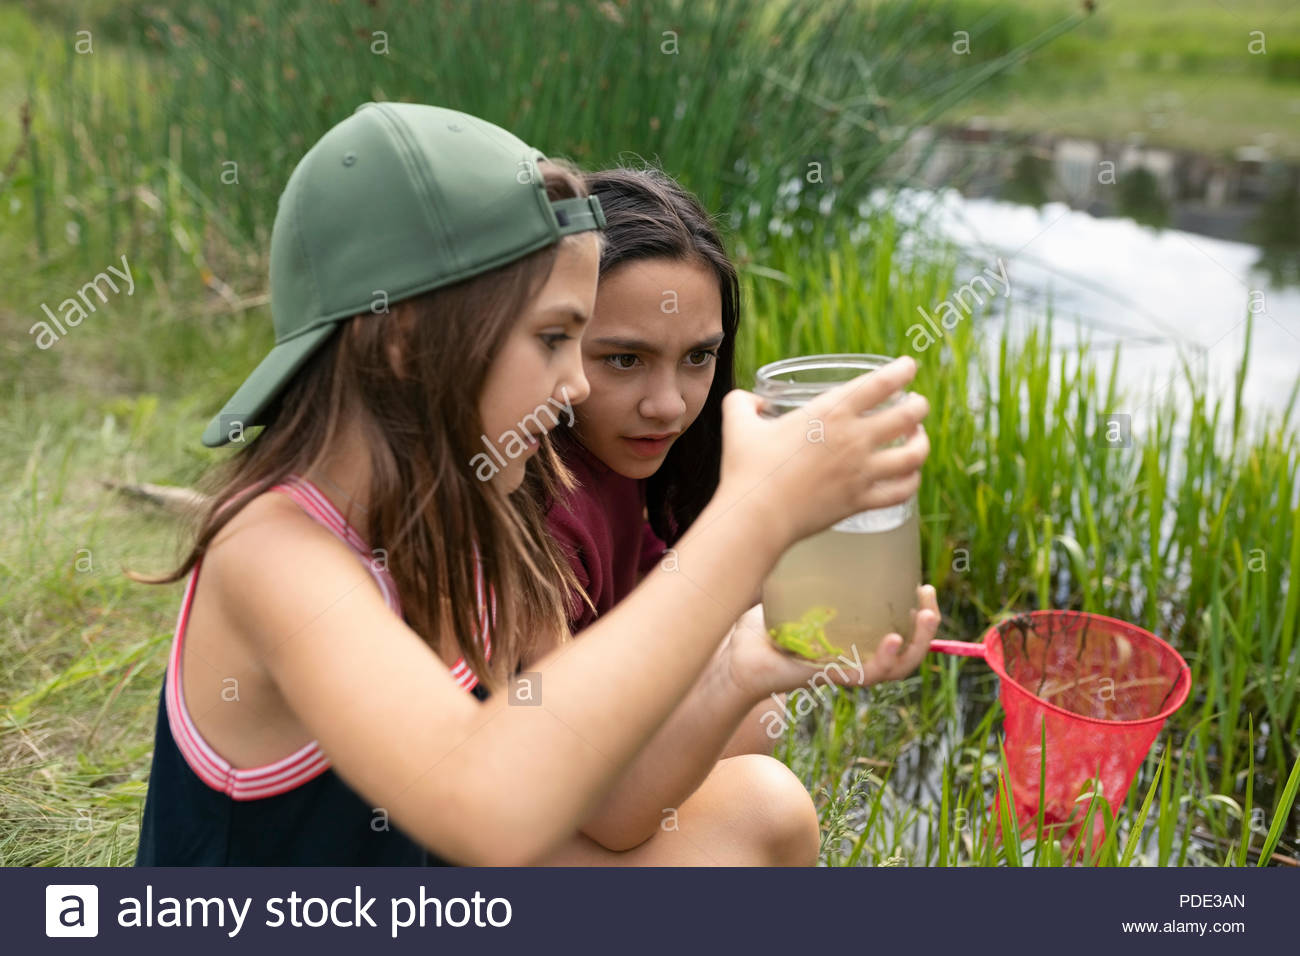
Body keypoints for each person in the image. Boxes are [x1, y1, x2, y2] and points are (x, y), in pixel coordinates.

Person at [132, 102, 934, 867]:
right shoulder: (273, 554)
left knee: (762, 809)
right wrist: (753, 518)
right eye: (554, 338)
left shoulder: (475, 525)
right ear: (406, 340)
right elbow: (487, 804)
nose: (576, 386)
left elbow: (612, 808)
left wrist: (739, 669)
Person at [539, 166, 941, 859]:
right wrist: (734, 667)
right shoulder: (529, 506)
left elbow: (665, 608)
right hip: (460, 859)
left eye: (698, 357)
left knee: (759, 703)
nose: (668, 403)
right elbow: (599, 810)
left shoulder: (628, 462)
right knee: (767, 808)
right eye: (625, 359)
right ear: (552, 335)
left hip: (561, 778)